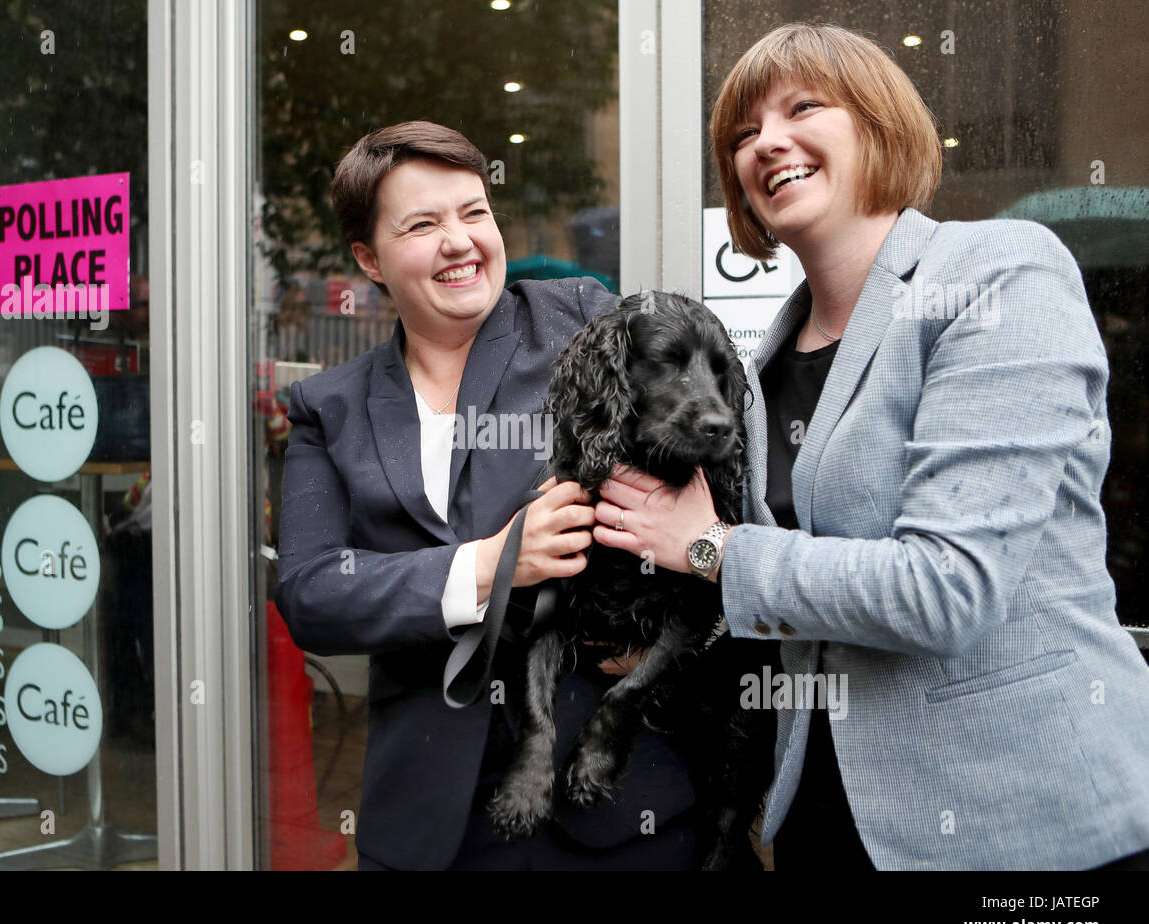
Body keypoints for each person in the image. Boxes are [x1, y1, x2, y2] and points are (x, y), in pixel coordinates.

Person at [593, 23, 1149, 870]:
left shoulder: (997, 272)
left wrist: (710, 546)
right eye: (743, 134)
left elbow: (947, 589)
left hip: (1018, 824)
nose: (766, 141)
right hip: (826, 817)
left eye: (802, 108)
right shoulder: (764, 362)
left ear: (881, 126)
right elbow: (791, 596)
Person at [274, 121, 705, 870]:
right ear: (368, 258)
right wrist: (489, 565)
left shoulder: (578, 318)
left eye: (474, 212)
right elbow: (311, 595)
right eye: (424, 223)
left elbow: (700, 433)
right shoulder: (330, 406)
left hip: (613, 804)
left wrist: (679, 572)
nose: (460, 240)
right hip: (429, 824)